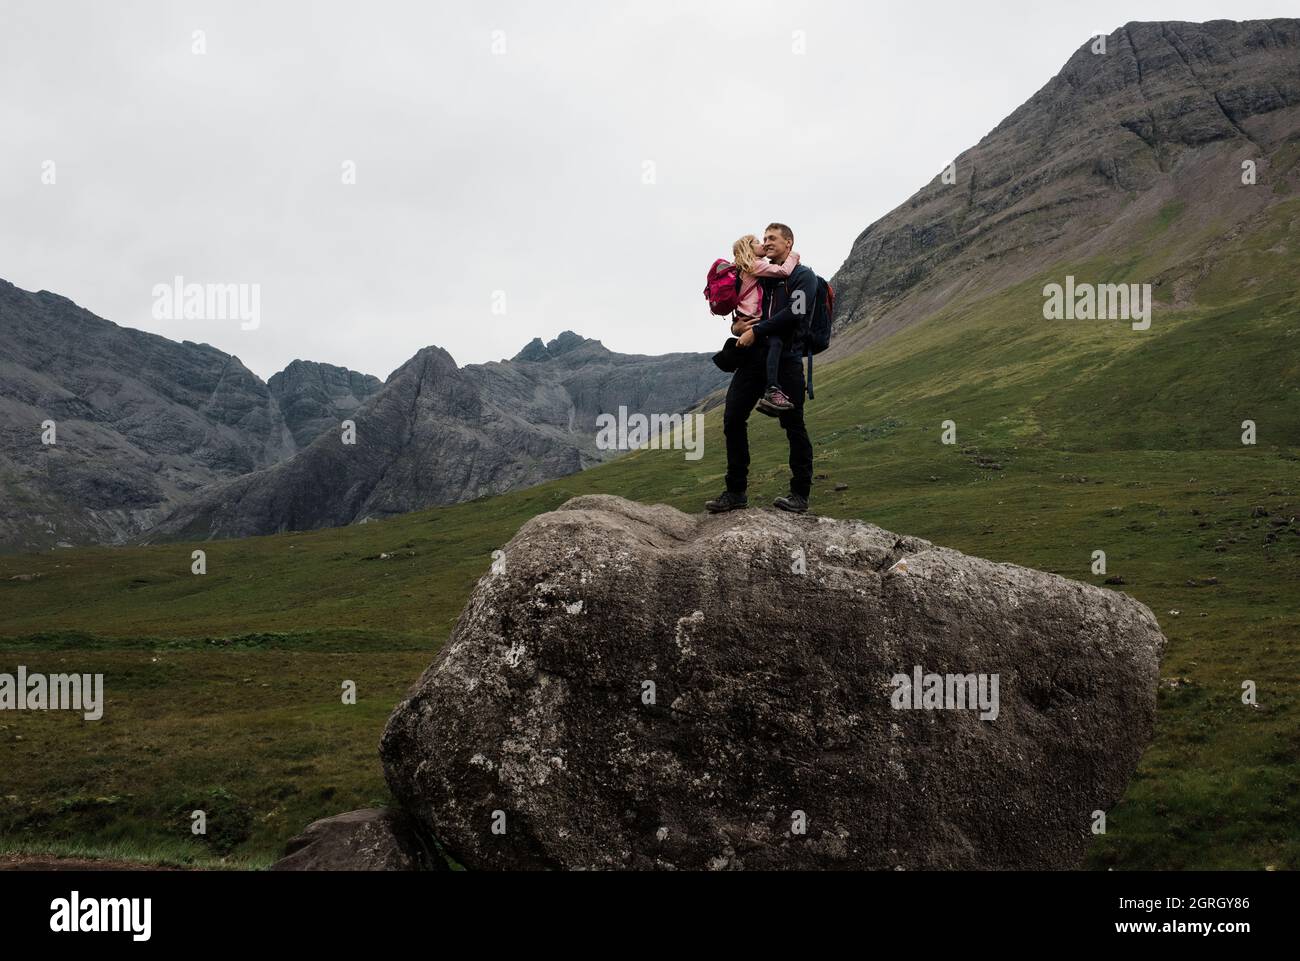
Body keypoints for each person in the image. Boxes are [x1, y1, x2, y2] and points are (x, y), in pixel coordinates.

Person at [705, 222, 816, 515]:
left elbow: (796, 312)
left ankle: (799, 495)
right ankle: (735, 492)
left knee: (794, 425)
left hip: (787, 360)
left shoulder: (805, 276)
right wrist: (736, 325)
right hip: (753, 359)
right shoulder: (761, 274)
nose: (767, 242)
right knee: (732, 419)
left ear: (788, 243)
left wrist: (757, 331)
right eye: (764, 238)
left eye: (773, 238)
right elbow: (744, 308)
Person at [727, 234, 801, 415]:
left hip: (744, 318)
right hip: (754, 320)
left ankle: (771, 390)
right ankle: (772, 390)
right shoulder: (755, 266)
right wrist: (793, 256)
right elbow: (783, 272)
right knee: (775, 342)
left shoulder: (742, 269)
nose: (763, 245)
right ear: (749, 248)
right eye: (758, 243)